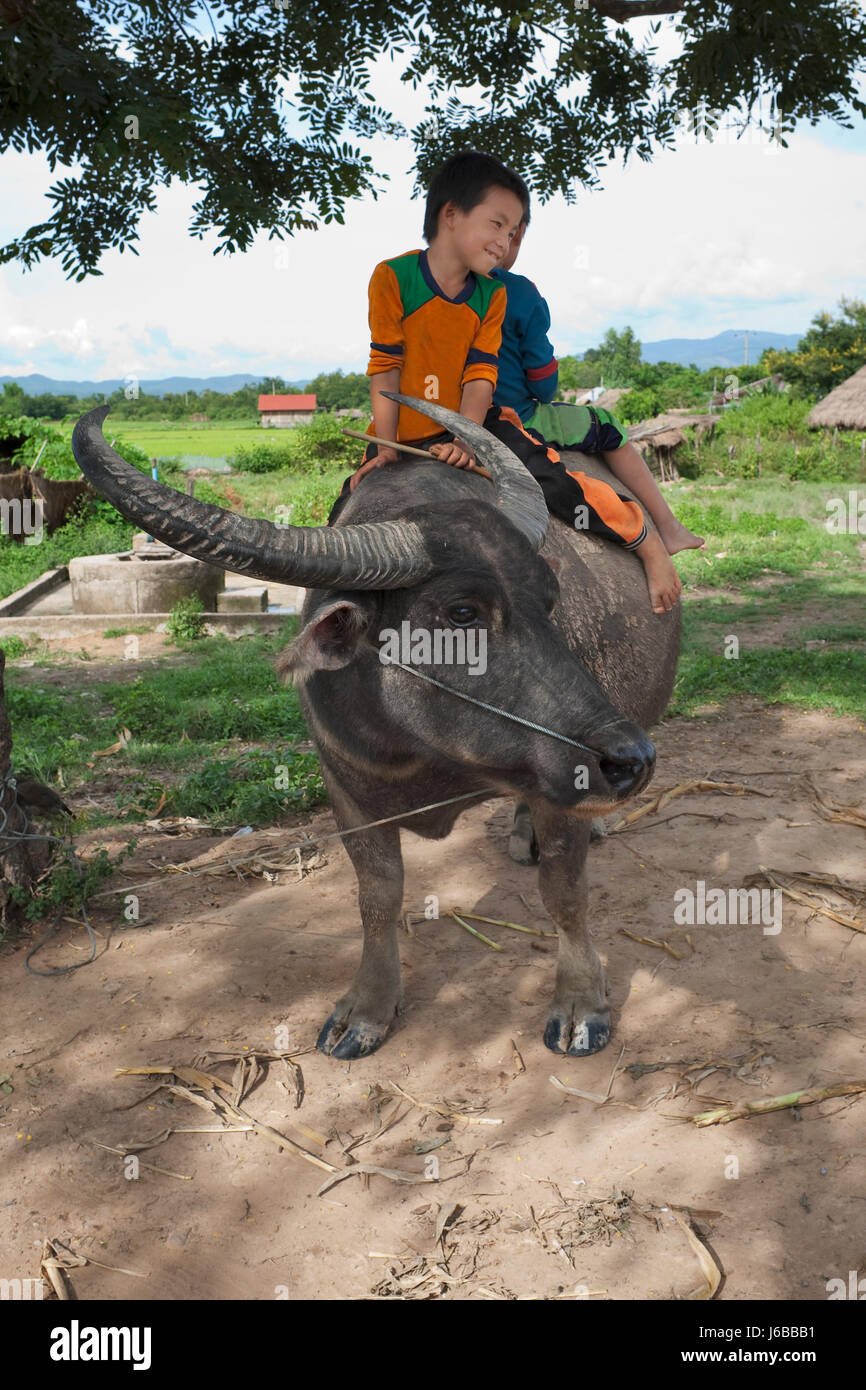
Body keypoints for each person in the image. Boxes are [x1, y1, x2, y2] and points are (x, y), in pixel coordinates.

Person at [328, 150, 681, 613]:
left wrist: (468, 438)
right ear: (450, 214)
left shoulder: (493, 293)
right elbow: (385, 363)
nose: (506, 241)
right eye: (497, 224)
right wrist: (388, 445)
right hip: (404, 424)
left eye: (514, 232)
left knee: (553, 479)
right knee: (348, 511)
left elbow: (480, 371)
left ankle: (646, 540)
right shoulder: (392, 277)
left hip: (478, 421)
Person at [491, 217, 704, 559]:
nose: (508, 245)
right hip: (518, 417)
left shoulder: (427, 284)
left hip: (438, 415)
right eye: (513, 237)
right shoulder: (516, 291)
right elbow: (544, 386)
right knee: (606, 424)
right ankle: (668, 527)